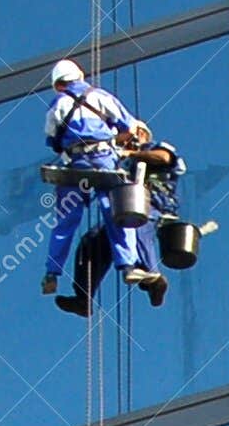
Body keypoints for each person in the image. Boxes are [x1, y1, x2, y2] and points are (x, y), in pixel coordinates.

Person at [40, 59, 155, 298]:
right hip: (104, 159)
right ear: (79, 77)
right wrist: (119, 138)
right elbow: (129, 125)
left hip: (74, 165)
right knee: (117, 213)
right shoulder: (102, 97)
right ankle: (129, 266)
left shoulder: (57, 103)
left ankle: (52, 273)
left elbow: (52, 140)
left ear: (59, 84)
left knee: (65, 221)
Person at [56, 121, 180, 316]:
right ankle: (82, 298)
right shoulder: (119, 162)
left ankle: (152, 277)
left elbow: (164, 158)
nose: (126, 140)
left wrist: (130, 154)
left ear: (142, 134)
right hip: (122, 208)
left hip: (152, 205)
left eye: (129, 135)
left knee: (137, 224)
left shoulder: (155, 148)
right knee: (92, 240)